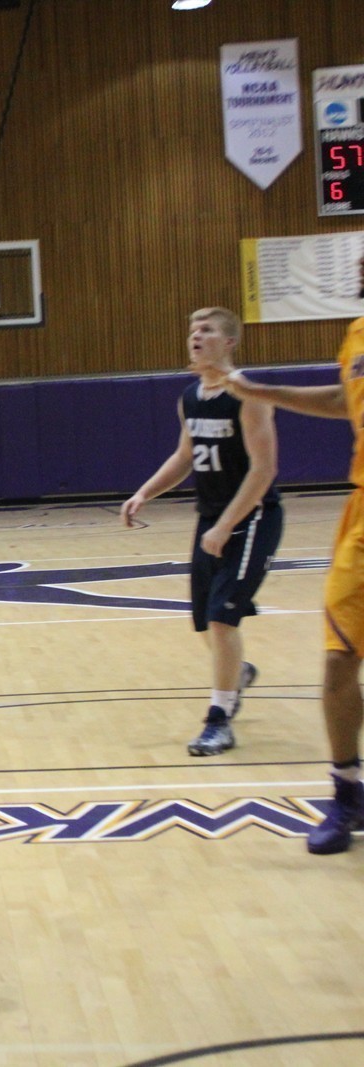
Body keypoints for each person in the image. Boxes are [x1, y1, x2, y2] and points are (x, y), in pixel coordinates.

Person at [214, 285, 364, 854]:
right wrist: (262, 391)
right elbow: (343, 400)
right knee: (337, 662)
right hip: (360, 516)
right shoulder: (355, 335)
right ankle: (347, 793)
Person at [122, 308, 279, 756]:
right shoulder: (190, 397)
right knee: (204, 622)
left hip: (252, 517)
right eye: (192, 330)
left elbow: (265, 470)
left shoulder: (247, 394)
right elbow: (185, 455)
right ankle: (239, 670)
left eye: (206, 330)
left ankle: (219, 719)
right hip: (212, 518)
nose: (195, 336)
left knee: (221, 617)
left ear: (229, 342)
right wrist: (145, 493)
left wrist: (228, 524)